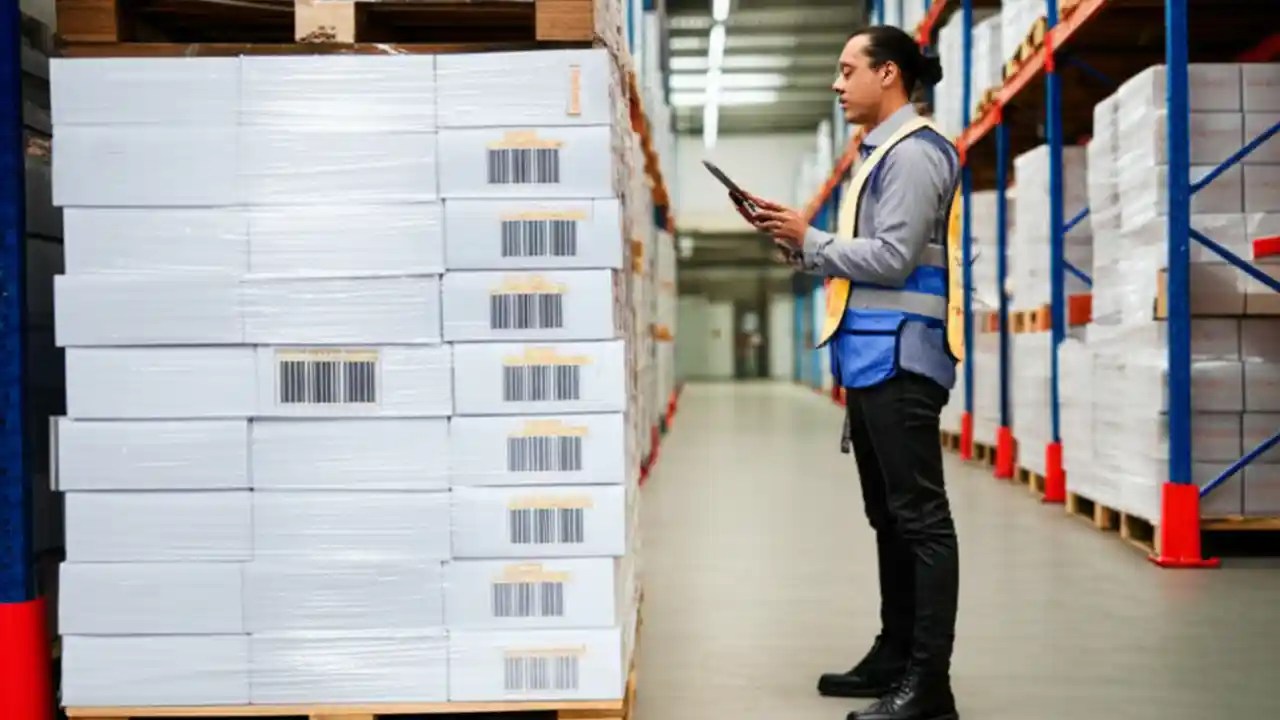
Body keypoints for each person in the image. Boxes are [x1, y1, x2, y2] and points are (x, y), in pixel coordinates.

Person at [733, 25, 962, 720]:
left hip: (902, 357)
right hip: (870, 358)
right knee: (888, 517)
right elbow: (857, 258)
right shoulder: (877, 155)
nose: (837, 84)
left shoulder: (914, 153)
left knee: (920, 520)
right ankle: (895, 658)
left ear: (887, 74)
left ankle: (929, 686)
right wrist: (796, 241)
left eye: (846, 69)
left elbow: (891, 259)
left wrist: (813, 239)